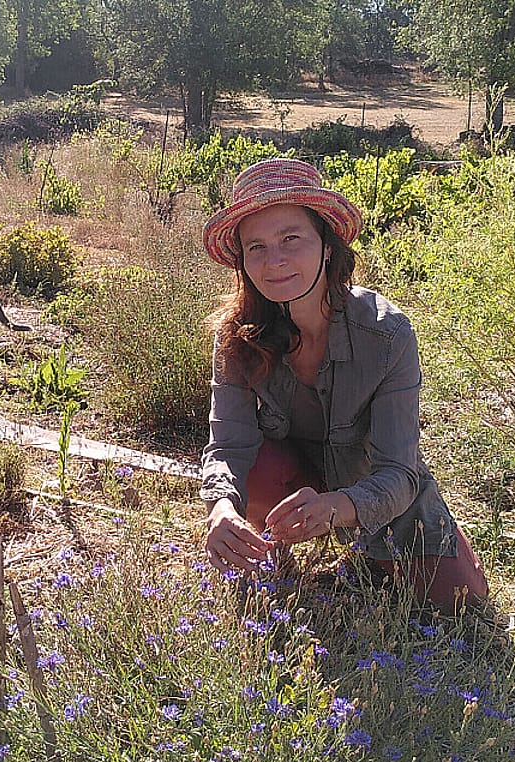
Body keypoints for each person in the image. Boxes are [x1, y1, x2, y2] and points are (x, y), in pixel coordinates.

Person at [199, 157, 488, 612]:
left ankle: (407, 544)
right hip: (294, 476)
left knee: (458, 601)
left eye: (291, 239)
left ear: (327, 246)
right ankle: (275, 544)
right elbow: (228, 446)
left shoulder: (387, 334)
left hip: (368, 482)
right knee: (254, 466)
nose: (274, 261)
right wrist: (219, 508)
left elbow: (400, 471)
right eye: (255, 247)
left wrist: (339, 506)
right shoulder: (236, 336)